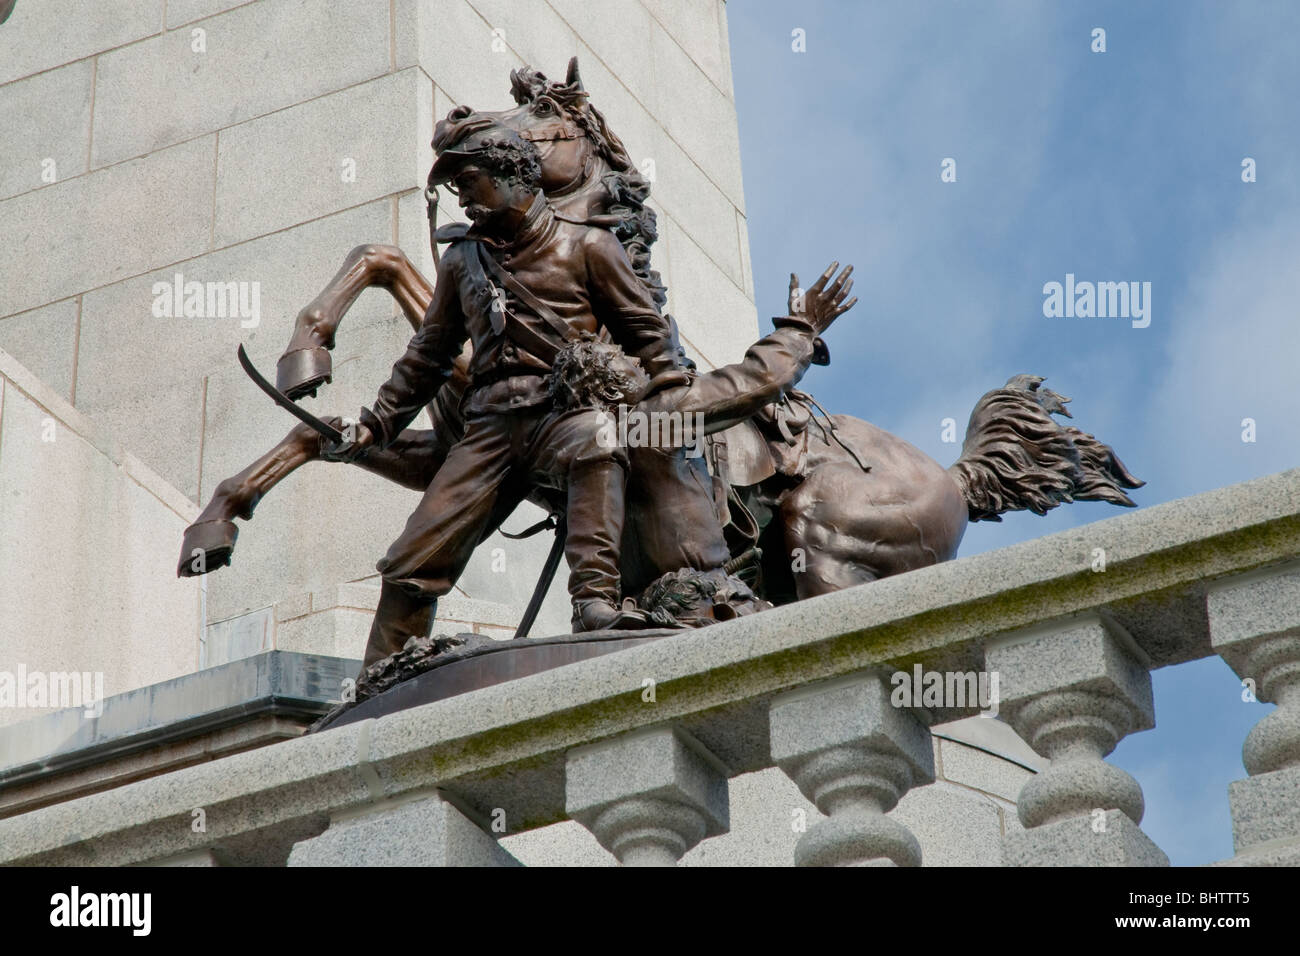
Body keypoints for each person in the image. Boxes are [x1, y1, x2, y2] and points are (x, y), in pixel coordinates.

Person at [344, 121, 682, 667]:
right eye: (454, 185)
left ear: (512, 172)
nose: (462, 196)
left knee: (598, 441)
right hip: (489, 429)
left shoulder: (589, 245)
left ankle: (594, 603)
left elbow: (649, 336)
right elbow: (428, 355)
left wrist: (668, 399)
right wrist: (377, 425)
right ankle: (381, 675)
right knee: (410, 562)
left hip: (563, 417)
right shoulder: (462, 261)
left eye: (469, 179)